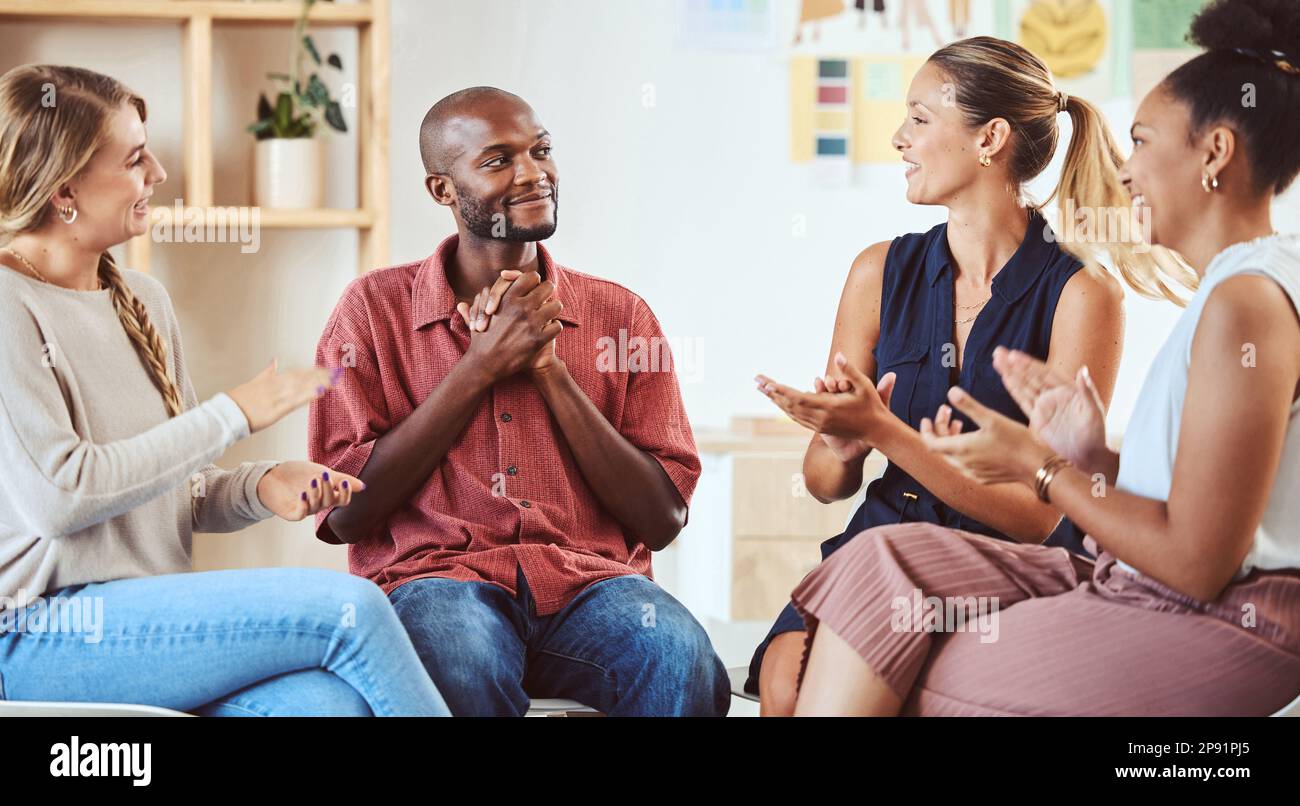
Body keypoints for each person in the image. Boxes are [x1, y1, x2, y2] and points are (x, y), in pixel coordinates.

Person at [788, 0, 1300, 716]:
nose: (1125, 175)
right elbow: (1203, 504)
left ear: (1214, 154)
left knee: (907, 669)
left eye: (1145, 142)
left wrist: (1046, 468)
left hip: (1207, 605)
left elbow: (1196, 560)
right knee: (877, 567)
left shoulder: (1241, 303)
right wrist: (1092, 460)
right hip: (1151, 581)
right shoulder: (1239, 290)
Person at [0, 65, 449, 717]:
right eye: (134, 158)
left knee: (329, 706)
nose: (156, 173)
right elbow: (63, 497)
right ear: (64, 187)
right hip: (40, 636)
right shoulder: (9, 306)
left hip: (147, 632)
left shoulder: (142, 300)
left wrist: (260, 486)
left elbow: (171, 487)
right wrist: (232, 414)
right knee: (351, 610)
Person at [748, 35, 1178, 715]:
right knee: (781, 681)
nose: (898, 138)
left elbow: (1043, 516)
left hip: (1000, 565)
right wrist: (840, 443)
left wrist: (888, 434)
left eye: (920, 119)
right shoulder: (877, 272)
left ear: (991, 138)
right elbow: (824, 485)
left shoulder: (1082, 296)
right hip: (877, 539)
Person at [308, 86, 730, 717]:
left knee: (680, 656)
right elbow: (344, 515)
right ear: (442, 190)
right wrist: (479, 367)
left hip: (593, 587)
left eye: (541, 150)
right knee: (458, 659)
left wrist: (547, 367)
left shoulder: (620, 316)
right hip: (437, 584)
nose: (533, 174)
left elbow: (662, 520)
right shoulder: (371, 312)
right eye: (498, 160)